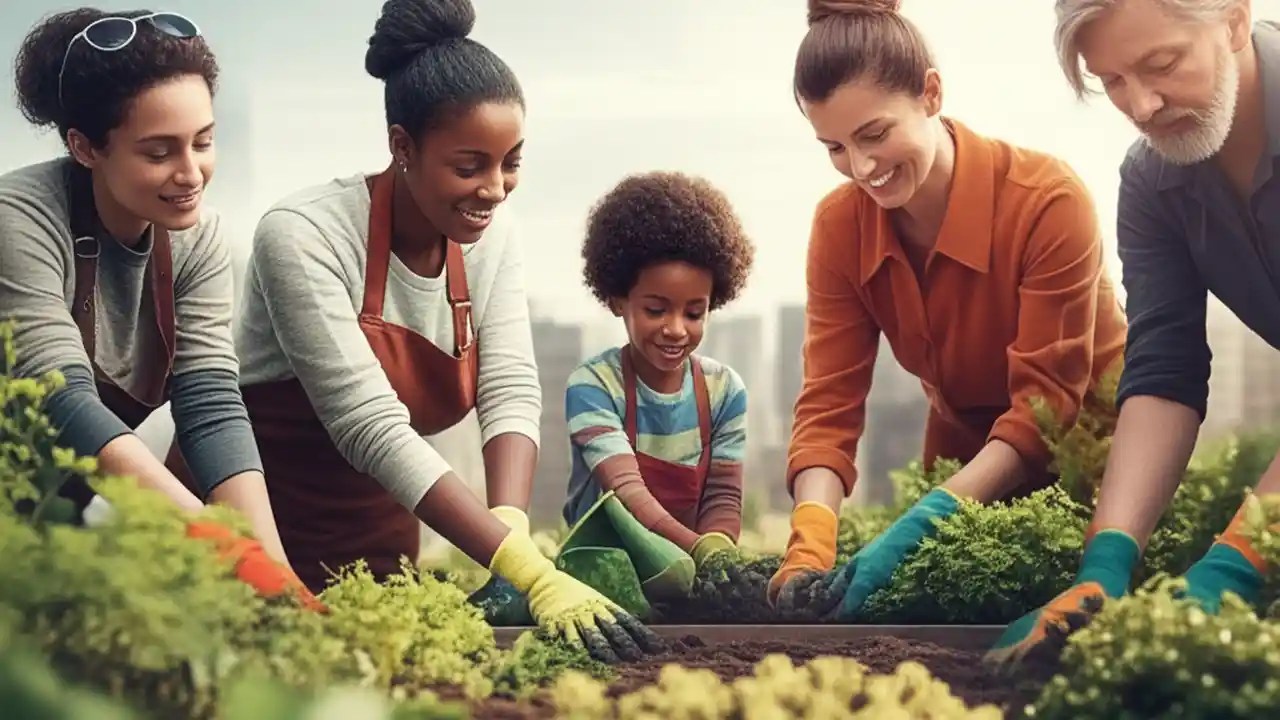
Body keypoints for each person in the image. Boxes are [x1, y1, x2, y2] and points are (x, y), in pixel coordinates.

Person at [167, 0, 661, 661]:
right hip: (244, 535)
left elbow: (510, 384)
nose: (494, 189)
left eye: (510, 162)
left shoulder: (489, 236)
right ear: (402, 145)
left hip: (377, 546)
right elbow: (366, 424)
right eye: (469, 166)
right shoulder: (304, 235)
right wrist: (532, 571)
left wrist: (508, 528)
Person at [768, 0, 1129, 622]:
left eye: (875, 134)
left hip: (1093, 466)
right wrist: (811, 542)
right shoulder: (838, 227)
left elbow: (1044, 412)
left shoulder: (1048, 201)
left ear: (931, 94)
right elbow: (829, 405)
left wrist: (925, 520)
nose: (861, 168)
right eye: (833, 147)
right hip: (964, 466)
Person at [988, 0, 1280, 665]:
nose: (1142, 106)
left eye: (1162, 65)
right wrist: (1106, 564)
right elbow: (1165, 370)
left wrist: (1233, 565)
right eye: (1112, 81)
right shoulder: (1152, 183)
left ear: (1234, 20)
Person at [0, 8, 317, 610]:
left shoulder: (197, 238)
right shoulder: (20, 217)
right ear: (85, 147)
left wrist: (276, 574)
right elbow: (60, 400)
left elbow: (212, 406)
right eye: (158, 152)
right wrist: (225, 548)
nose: (191, 173)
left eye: (204, 141)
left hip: (57, 496)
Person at [562, 171, 754, 569]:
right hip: (605, 572)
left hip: (686, 569)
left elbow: (722, 493)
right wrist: (697, 550)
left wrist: (718, 549)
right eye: (656, 310)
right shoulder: (594, 385)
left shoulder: (724, 391)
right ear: (618, 300)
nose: (676, 329)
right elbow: (627, 492)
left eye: (694, 312)